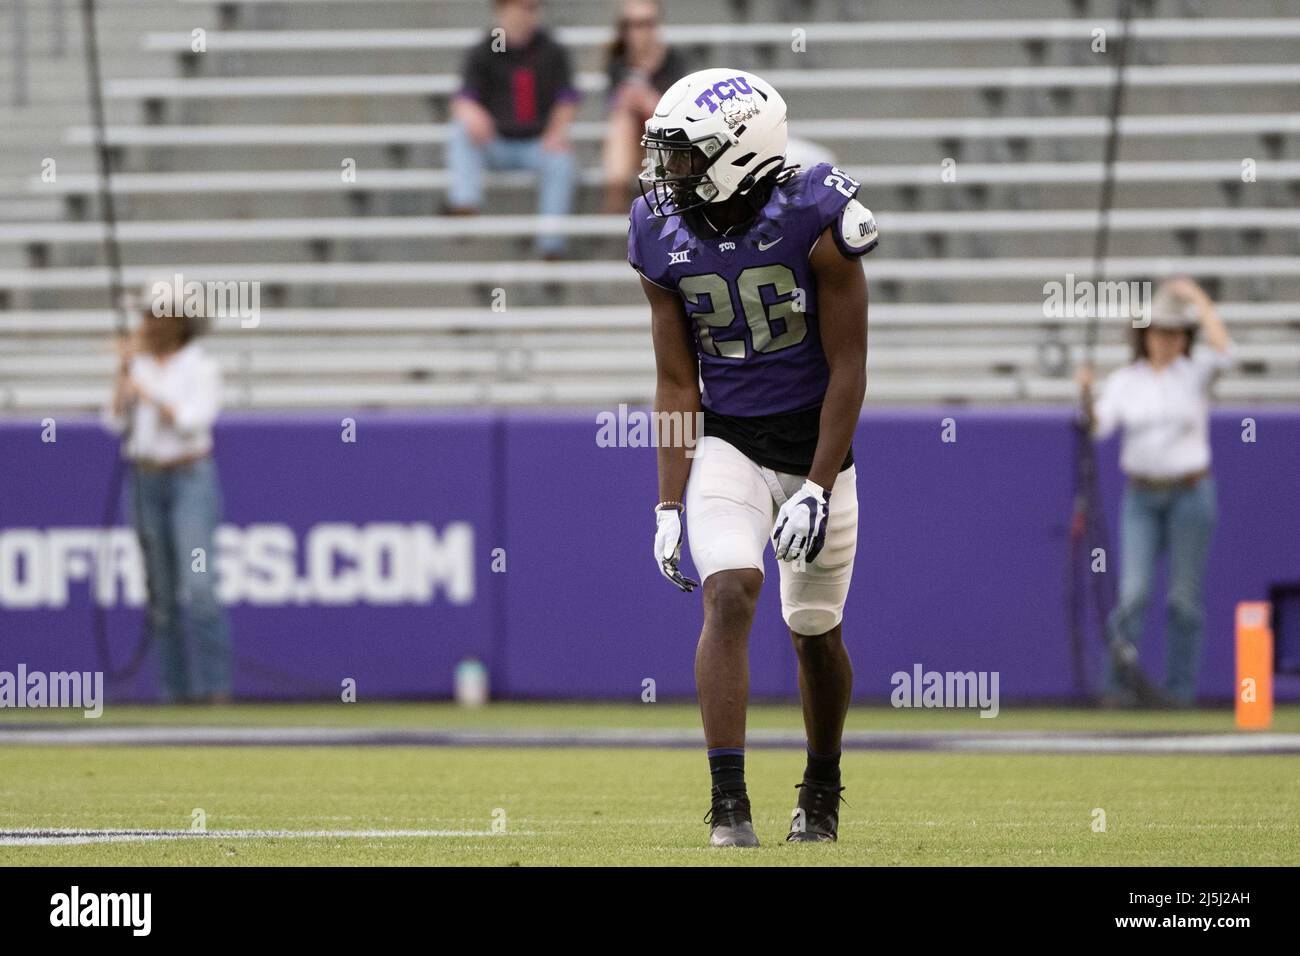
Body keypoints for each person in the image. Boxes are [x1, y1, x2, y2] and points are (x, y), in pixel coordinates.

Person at [631, 69, 878, 846]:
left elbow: (849, 368)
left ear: (739, 152)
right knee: (730, 592)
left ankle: (823, 783)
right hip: (729, 438)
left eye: (683, 157)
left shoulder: (815, 213)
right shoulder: (657, 232)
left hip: (817, 444)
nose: (667, 176)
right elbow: (676, 383)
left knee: (814, 631)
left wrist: (815, 483)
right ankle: (729, 802)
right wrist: (669, 502)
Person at [1079, 277, 1233, 707]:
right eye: (1158, 332)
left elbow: (1226, 351)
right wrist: (1088, 397)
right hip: (1142, 498)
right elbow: (1099, 426)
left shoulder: (1195, 373)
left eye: (1174, 332)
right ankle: (1116, 685)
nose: (1166, 340)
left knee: (1184, 599)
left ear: (1184, 338)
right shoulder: (1127, 381)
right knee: (1133, 594)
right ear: (1144, 336)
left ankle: (1180, 691)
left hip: (1191, 492)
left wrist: (1198, 298)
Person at [104, 283, 231, 704]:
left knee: (199, 585)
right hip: (145, 479)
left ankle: (214, 687)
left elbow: (192, 422)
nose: (149, 324)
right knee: (159, 591)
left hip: (188, 477)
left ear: (179, 322)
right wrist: (123, 376)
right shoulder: (137, 367)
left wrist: (150, 393)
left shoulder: (200, 367)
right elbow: (114, 422)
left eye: (159, 316)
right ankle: (175, 690)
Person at [447, 0, 579, 258]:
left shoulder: (551, 49)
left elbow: (568, 98)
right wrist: (472, 113)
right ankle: (465, 203)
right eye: (521, 7)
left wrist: (557, 131)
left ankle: (551, 244)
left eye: (532, 8)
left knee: (562, 161)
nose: (527, 15)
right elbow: (463, 97)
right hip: (495, 142)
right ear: (501, 10)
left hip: (537, 144)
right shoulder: (484, 50)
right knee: (460, 132)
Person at [600, 0, 686, 213]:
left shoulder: (673, 60)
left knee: (648, 119)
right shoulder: (618, 62)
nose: (643, 31)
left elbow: (680, 115)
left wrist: (649, 101)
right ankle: (617, 188)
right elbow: (614, 104)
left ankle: (615, 200)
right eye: (635, 24)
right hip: (632, 144)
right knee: (623, 120)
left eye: (648, 23)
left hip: (664, 142)